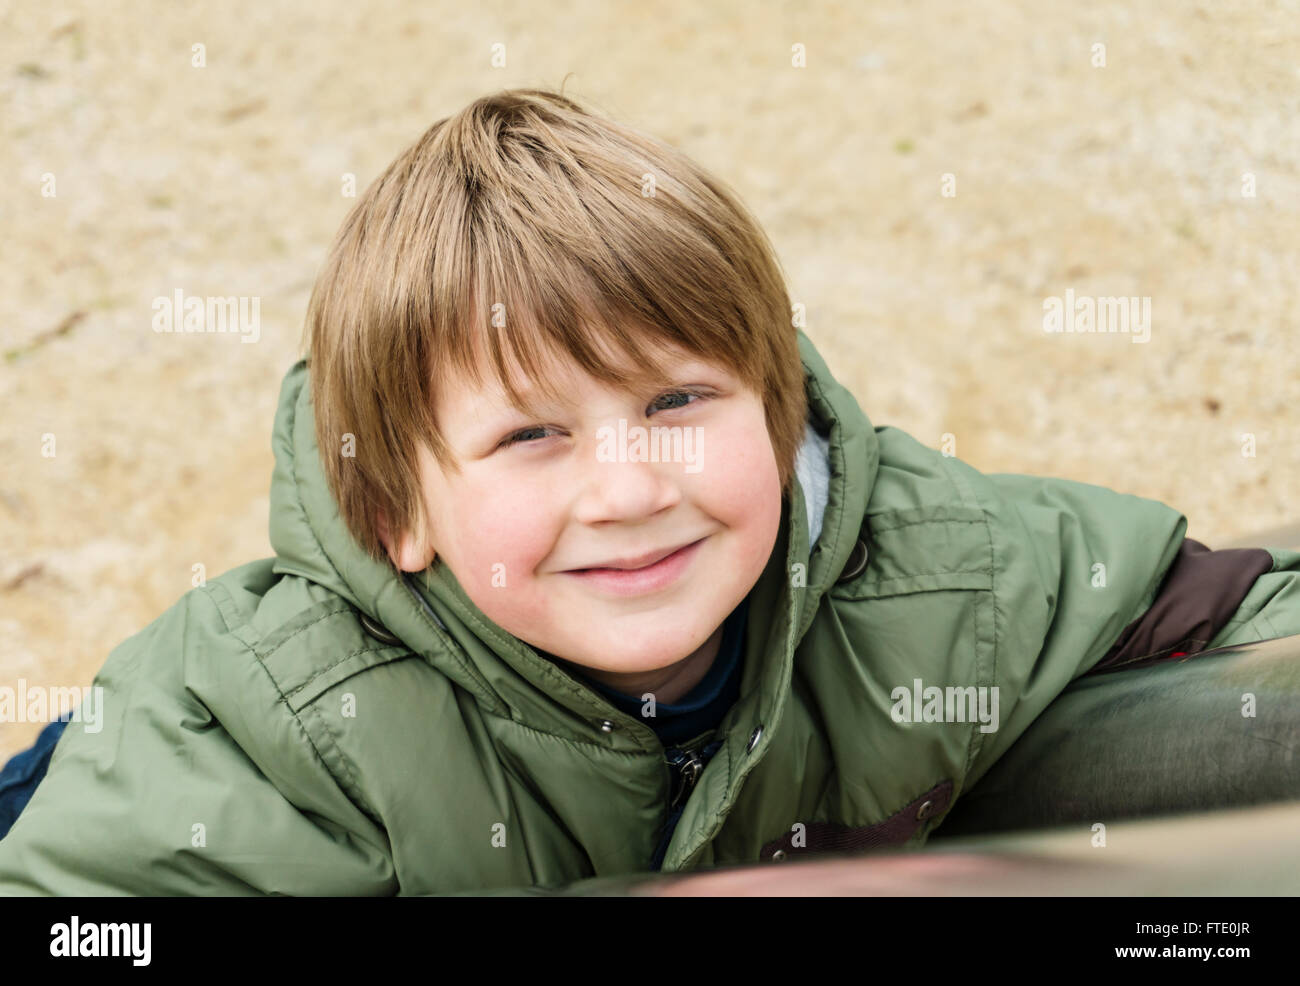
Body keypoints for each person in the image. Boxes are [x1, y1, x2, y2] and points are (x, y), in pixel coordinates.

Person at [2, 87, 1298, 894]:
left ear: (779, 406)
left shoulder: (926, 568)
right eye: (529, 438)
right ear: (396, 513)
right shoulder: (285, 722)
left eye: (678, 404)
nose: (628, 488)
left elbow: (1225, 613)